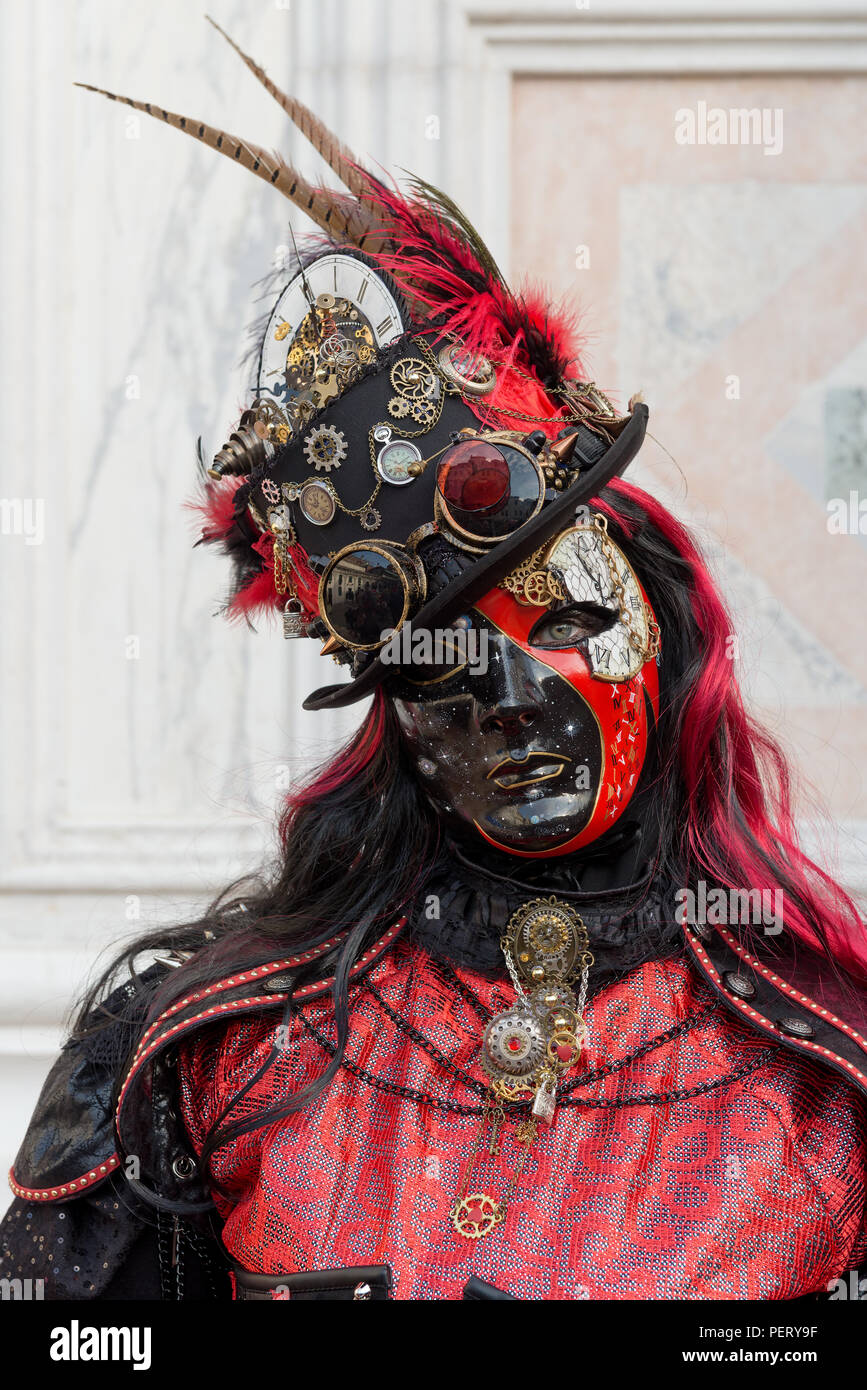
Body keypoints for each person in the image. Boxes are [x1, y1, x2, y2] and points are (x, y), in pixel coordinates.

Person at [3, 21, 865, 1302]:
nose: (512, 704)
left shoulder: (825, 1082)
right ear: (387, 716)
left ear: (669, 637)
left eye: (563, 626)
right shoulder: (211, 1049)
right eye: (440, 668)